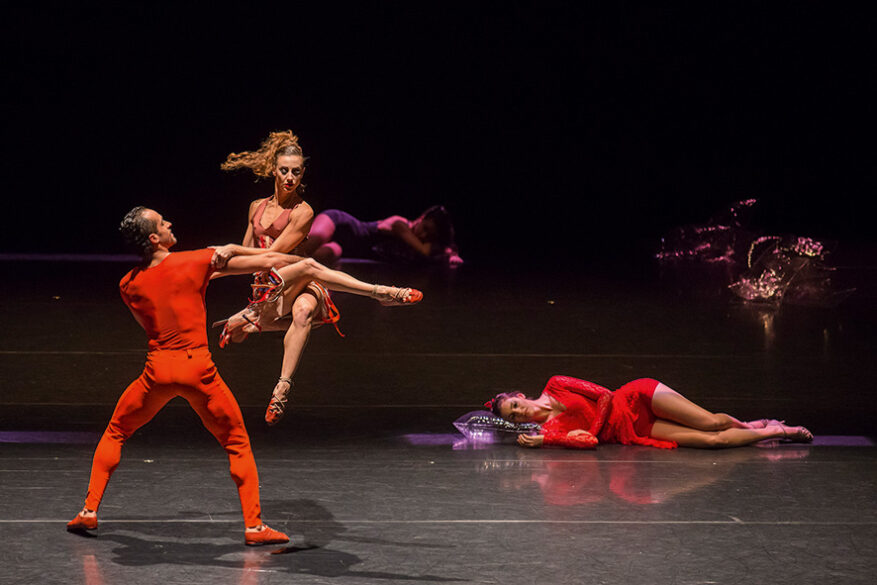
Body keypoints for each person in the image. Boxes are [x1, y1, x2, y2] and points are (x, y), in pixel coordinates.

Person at [66, 206, 305, 545]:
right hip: (198, 371)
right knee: (237, 443)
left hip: (158, 373)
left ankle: (89, 511)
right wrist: (290, 256)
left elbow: (149, 327)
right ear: (154, 237)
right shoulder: (193, 260)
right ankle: (254, 527)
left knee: (116, 431)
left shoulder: (127, 284)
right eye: (163, 223)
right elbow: (266, 261)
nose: (170, 223)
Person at [217, 130, 423, 426]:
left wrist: (230, 250)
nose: (290, 177)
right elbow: (251, 258)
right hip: (268, 288)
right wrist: (219, 267)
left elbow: (273, 256)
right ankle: (255, 318)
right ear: (273, 170)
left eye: (296, 172)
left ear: (303, 174)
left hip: (295, 277)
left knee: (304, 301)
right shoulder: (255, 207)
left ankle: (281, 389)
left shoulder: (304, 212)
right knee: (307, 272)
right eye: (284, 170)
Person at [484, 375, 813, 449]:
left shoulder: (556, 384)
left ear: (520, 395)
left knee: (712, 421)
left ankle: (752, 424)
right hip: (634, 429)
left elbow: (604, 396)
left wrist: (593, 430)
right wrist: (547, 443)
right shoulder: (547, 431)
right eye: (513, 417)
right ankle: (776, 431)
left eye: (515, 406)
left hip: (636, 398)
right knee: (711, 442)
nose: (519, 414)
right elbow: (588, 445)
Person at [299, 207, 463, 266]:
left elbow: (439, 249)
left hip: (344, 247)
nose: (423, 235)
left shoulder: (414, 244)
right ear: (422, 218)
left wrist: (451, 254)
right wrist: (444, 250)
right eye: (425, 228)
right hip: (340, 224)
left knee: (310, 260)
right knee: (303, 250)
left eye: (429, 235)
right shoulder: (400, 225)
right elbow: (424, 251)